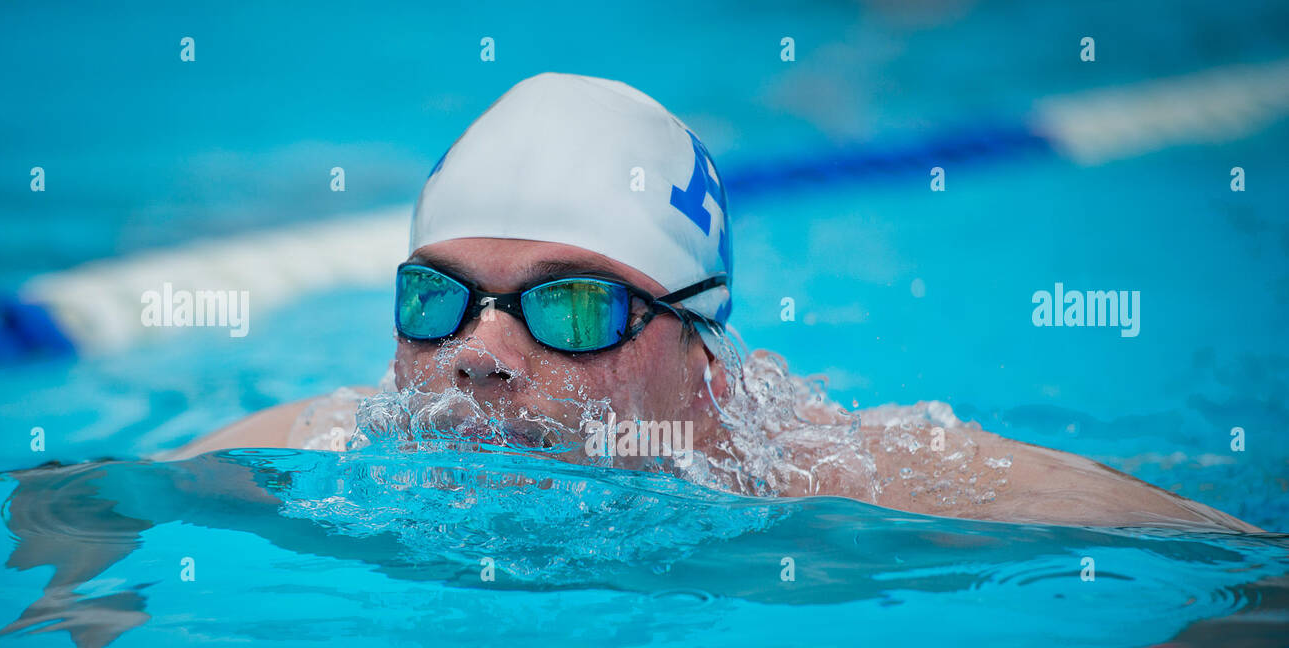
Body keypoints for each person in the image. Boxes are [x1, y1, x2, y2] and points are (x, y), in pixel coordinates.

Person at [178, 72, 1256, 532]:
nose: (481, 354)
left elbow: (1243, 554)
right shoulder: (336, 444)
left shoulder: (820, 480)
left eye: (570, 306)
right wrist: (84, 611)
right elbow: (76, 499)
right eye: (437, 297)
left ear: (701, 360)